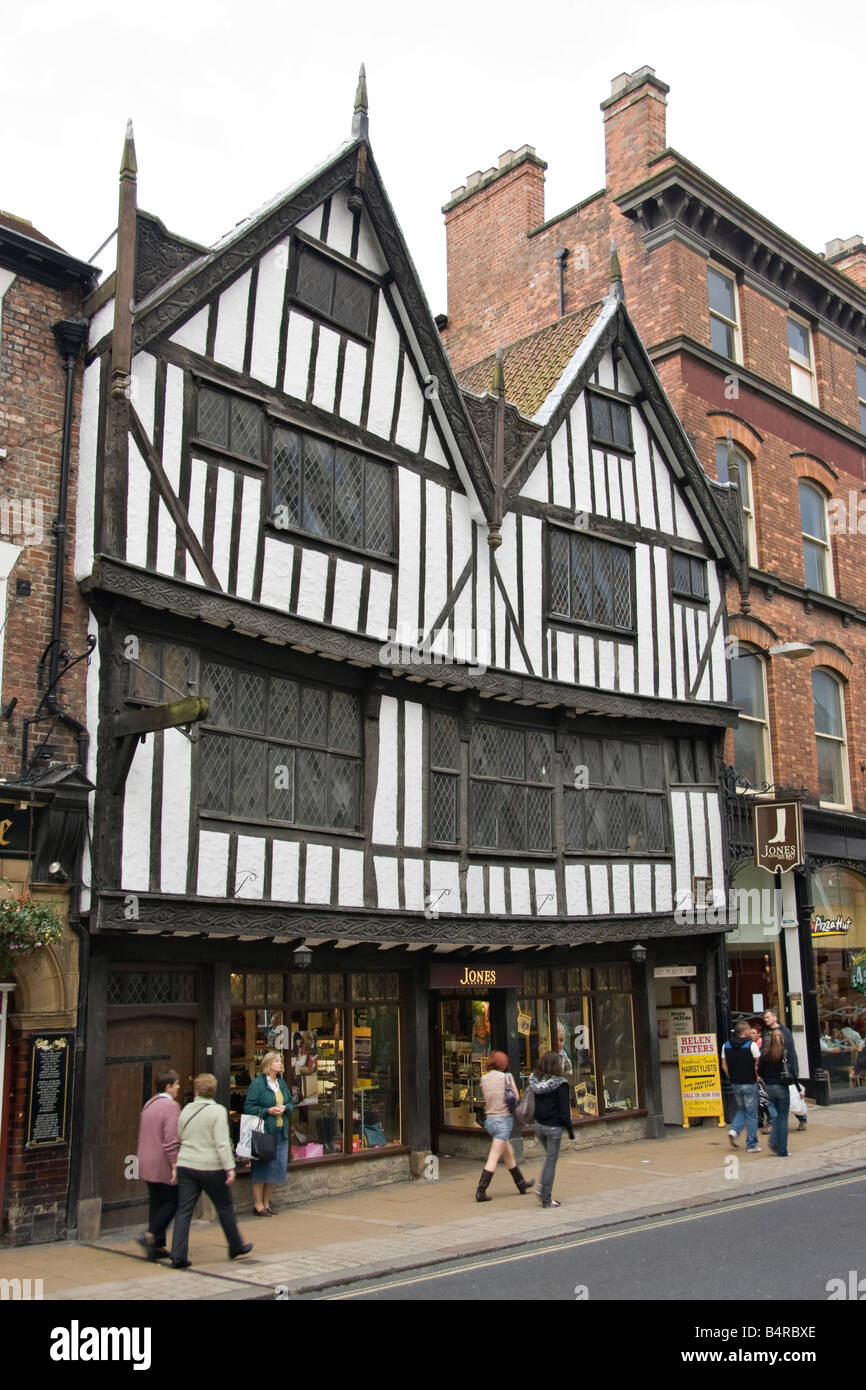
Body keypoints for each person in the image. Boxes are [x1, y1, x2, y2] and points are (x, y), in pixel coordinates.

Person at [170, 1073, 252, 1268]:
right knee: (224, 1207)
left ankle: (178, 1255)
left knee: (184, 1210)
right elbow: (222, 1143)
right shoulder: (218, 1111)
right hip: (210, 1166)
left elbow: (179, 1133)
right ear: (213, 1091)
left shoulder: (187, 1109)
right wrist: (230, 1168)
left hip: (187, 1164)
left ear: (197, 1090)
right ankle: (236, 1246)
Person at [474, 1050, 534, 1202]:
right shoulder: (506, 1077)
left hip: (490, 1121)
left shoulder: (484, 1079)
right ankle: (481, 1190)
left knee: (509, 1153)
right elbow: (515, 1097)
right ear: (503, 1063)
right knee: (494, 1156)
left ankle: (521, 1184)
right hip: (503, 1121)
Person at [135, 1068, 181, 1259]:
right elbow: (171, 1139)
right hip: (161, 1160)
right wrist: (174, 1163)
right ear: (168, 1086)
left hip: (146, 1159)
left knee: (156, 1202)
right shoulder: (171, 1107)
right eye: (176, 1084)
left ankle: (157, 1247)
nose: (179, 1087)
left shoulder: (149, 1104)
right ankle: (150, 1234)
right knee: (174, 1200)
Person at [244, 1049, 293, 1215]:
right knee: (262, 1167)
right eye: (277, 1061)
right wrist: (268, 1111)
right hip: (265, 1131)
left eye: (281, 1061)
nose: (280, 1064)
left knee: (277, 1167)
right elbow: (249, 1107)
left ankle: (266, 1203)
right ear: (269, 1064)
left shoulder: (282, 1083)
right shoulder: (258, 1084)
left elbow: (291, 1102)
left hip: (281, 1129)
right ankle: (258, 1204)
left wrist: (285, 1108)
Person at [529, 1051, 575, 1209]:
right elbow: (564, 1111)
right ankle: (546, 1199)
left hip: (538, 1126)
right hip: (553, 1128)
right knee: (551, 1160)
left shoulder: (535, 1082)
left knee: (550, 1158)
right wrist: (569, 1130)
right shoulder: (561, 1084)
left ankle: (543, 1190)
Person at [758, 1026, 799, 1158]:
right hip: (782, 1087)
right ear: (782, 1039)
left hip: (769, 1088)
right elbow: (793, 1071)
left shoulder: (765, 1053)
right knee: (782, 1119)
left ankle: (774, 1142)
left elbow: (760, 1072)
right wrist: (798, 1088)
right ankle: (782, 1151)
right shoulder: (784, 1053)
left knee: (775, 1117)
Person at [764, 1008, 806, 1130]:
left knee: (792, 1097)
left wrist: (794, 1071)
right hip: (773, 1072)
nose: (766, 1019)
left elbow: (790, 1052)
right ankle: (772, 1123)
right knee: (773, 1100)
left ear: (775, 1018)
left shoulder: (784, 1032)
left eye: (768, 1017)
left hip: (785, 1070)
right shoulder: (767, 1032)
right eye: (765, 1017)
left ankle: (802, 1118)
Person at [722, 1021, 761, 1153]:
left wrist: (730, 1077)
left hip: (735, 1083)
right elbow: (758, 1063)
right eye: (750, 1030)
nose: (751, 1032)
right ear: (745, 1032)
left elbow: (724, 1066)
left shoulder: (725, 1045)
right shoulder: (752, 1045)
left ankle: (734, 1130)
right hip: (749, 1082)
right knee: (751, 1113)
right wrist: (758, 1076)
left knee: (742, 1109)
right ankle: (751, 1144)